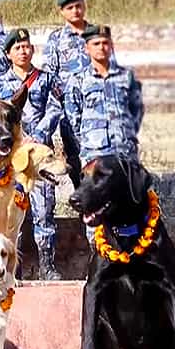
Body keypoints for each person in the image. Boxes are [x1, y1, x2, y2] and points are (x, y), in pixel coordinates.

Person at [0, 28, 62, 280]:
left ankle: (47, 267)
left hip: (39, 159)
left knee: (43, 214)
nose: (23, 51)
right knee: (9, 216)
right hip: (11, 158)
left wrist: (36, 135)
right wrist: (19, 139)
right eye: (17, 48)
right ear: (8, 54)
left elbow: (54, 108)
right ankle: (12, 269)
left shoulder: (44, 79)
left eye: (27, 46)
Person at [63, 25, 144, 240]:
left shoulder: (126, 78)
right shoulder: (78, 80)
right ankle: (98, 256)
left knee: (129, 203)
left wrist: (127, 137)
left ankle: (133, 253)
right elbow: (73, 116)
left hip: (123, 156)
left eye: (105, 43)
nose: (102, 48)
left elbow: (136, 109)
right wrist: (89, 141)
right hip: (94, 155)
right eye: (96, 44)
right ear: (87, 48)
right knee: (93, 203)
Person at [43, 0, 92, 187]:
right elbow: (49, 74)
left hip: (95, 108)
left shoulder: (96, 34)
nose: (75, 11)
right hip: (69, 112)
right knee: (75, 156)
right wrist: (64, 98)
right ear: (62, 11)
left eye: (78, 6)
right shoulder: (56, 39)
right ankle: (83, 200)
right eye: (70, 8)